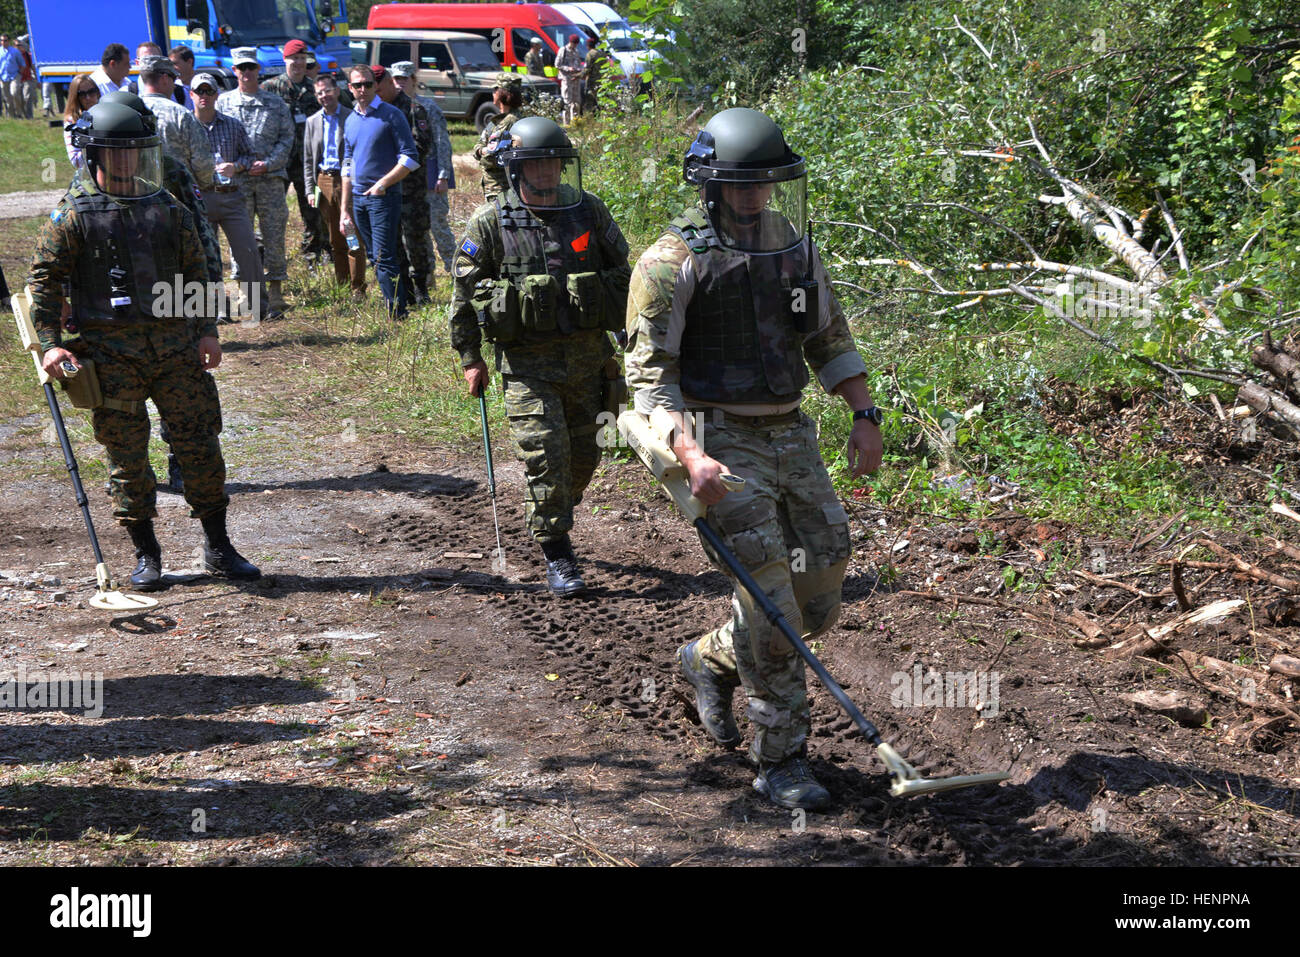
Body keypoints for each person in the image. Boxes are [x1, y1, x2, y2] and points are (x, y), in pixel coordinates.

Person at [624, 108, 883, 810]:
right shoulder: (670, 263)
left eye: (765, 184)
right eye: (741, 184)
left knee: (817, 594)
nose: (755, 196)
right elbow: (651, 379)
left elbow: (828, 337)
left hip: (791, 433)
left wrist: (864, 415)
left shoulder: (792, 248)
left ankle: (707, 657)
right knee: (770, 596)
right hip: (717, 438)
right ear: (710, 185)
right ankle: (783, 761)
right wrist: (688, 454)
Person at [28, 100, 260, 591]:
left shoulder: (167, 208)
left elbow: (196, 268)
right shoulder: (73, 215)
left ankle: (218, 546)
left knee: (199, 445)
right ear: (96, 154)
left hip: (176, 350)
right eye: (117, 152)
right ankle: (146, 553)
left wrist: (207, 330)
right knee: (127, 459)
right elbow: (45, 281)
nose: (128, 161)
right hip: (112, 356)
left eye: (136, 152)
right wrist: (49, 344)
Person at [450, 117, 630, 595]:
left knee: (585, 456)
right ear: (517, 169)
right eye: (537, 163)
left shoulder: (589, 211)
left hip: (591, 362)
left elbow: (625, 278)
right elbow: (465, 296)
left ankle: (555, 515)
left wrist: (631, 335)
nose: (548, 171)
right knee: (546, 457)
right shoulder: (490, 223)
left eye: (555, 162)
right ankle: (559, 555)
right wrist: (471, 358)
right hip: (528, 367)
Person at [217, 48, 294, 318]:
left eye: (251, 67)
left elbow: (287, 139)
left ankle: (275, 294)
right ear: (234, 71)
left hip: (270, 180)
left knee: (274, 235)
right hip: (237, 182)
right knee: (241, 238)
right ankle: (245, 293)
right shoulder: (223, 103)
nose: (247, 72)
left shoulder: (276, 104)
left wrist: (269, 163)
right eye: (241, 68)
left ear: (258, 70)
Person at [340, 65, 418, 318]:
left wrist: (383, 184)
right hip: (359, 199)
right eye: (357, 85)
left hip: (383, 198)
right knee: (375, 256)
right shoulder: (351, 119)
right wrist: (344, 208)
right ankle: (396, 304)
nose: (363, 90)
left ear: (376, 85)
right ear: (350, 88)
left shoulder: (391, 115)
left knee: (384, 256)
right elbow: (348, 164)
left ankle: (398, 314)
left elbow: (410, 157)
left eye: (368, 84)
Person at [191, 73, 267, 319]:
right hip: (201, 199)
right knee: (207, 256)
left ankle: (257, 306)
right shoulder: (186, 125)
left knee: (247, 250)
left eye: (209, 91)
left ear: (216, 95)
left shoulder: (232, 125)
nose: (204, 96)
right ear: (191, 95)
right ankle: (215, 309)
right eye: (199, 91)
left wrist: (237, 166)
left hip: (232, 197)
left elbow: (250, 155)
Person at [263, 39, 329, 260]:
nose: (299, 63)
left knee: (313, 210)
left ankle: (313, 254)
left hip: (306, 162)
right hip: (278, 160)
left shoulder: (315, 89)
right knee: (272, 211)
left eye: (302, 59)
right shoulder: (270, 88)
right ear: (285, 60)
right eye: (294, 58)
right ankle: (271, 253)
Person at [375, 64, 435, 303]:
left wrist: (392, 165)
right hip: (387, 189)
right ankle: (404, 289)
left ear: (390, 83)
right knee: (392, 240)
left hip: (411, 189)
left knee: (415, 239)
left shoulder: (413, 109)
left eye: (379, 90)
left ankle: (421, 287)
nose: (376, 95)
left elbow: (421, 147)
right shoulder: (377, 110)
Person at [391, 61, 456, 275]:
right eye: (396, 79)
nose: (400, 83)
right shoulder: (391, 110)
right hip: (407, 179)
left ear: (413, 81)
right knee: (418, 230)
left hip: (431, 174)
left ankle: (456, 269)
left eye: (404, 79)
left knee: (439, 226)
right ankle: (426, 274)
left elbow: (442, 142)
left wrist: (443, 175)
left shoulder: (427, 107)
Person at [303, 72, 365, 295]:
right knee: (334, 237)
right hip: (324, 181)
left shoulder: (351, 118)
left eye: (328, 91)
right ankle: (342, 286)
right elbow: (308, 158)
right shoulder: (312, 122)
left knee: (351, 234)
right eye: (319, 92)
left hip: (346, 180)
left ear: (337, 91)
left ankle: (358, 288)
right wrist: (311, 189)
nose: (324, 96)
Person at [137, 56, 215, 190]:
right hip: (179, 195)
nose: (174, 85)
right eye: (174, 78)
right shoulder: (181, 114)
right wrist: (204, 185)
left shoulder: (130, 112)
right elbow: (203, 162)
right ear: (165, 78)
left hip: (140, 195)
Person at [473, 73, 529, 201]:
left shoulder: (510, 121)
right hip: (497, 188)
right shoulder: (497, 121)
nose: (493, 93)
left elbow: (490, 158)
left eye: (495, 90)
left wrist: (482, 152)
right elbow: (480, 146)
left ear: (503, 93)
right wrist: (481, 150)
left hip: (502, 190)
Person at [63, 74, 101, 166]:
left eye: (91, 92)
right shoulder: (71, 121)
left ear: (97, 92)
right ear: (75, 97)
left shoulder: (108, 112)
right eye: (82, 94)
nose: (88, 98)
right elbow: (75, 161)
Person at [555, 33, 584, 125]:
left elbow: (578, 63)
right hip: (566, 79)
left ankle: (575, 121)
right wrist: (568, 68)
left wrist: (579, 70)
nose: (575, 45)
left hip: (575, 79)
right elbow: (557, 64)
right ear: (570, 42)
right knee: (567, 101)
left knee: (576, 101)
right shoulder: (563, 50)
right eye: (574, 43)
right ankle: (566, 123)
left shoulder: (576, 51)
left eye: (576, 44)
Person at [168, 45, 197, 109]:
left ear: (189, 62)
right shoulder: (171, 88)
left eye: (175, 63)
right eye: (170, 64)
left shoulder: (206, 86)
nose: (172, 68)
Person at [0, 34, 22, 118]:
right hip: (3, 77)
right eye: (1, 40)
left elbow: (22, 64)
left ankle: (19, 113)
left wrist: (20, 74)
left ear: (8, 41)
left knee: (15, 93)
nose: (3, 42)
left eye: (5, 40)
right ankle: (12, 115)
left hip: (14, 76)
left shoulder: (15, 51)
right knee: (7, 98)